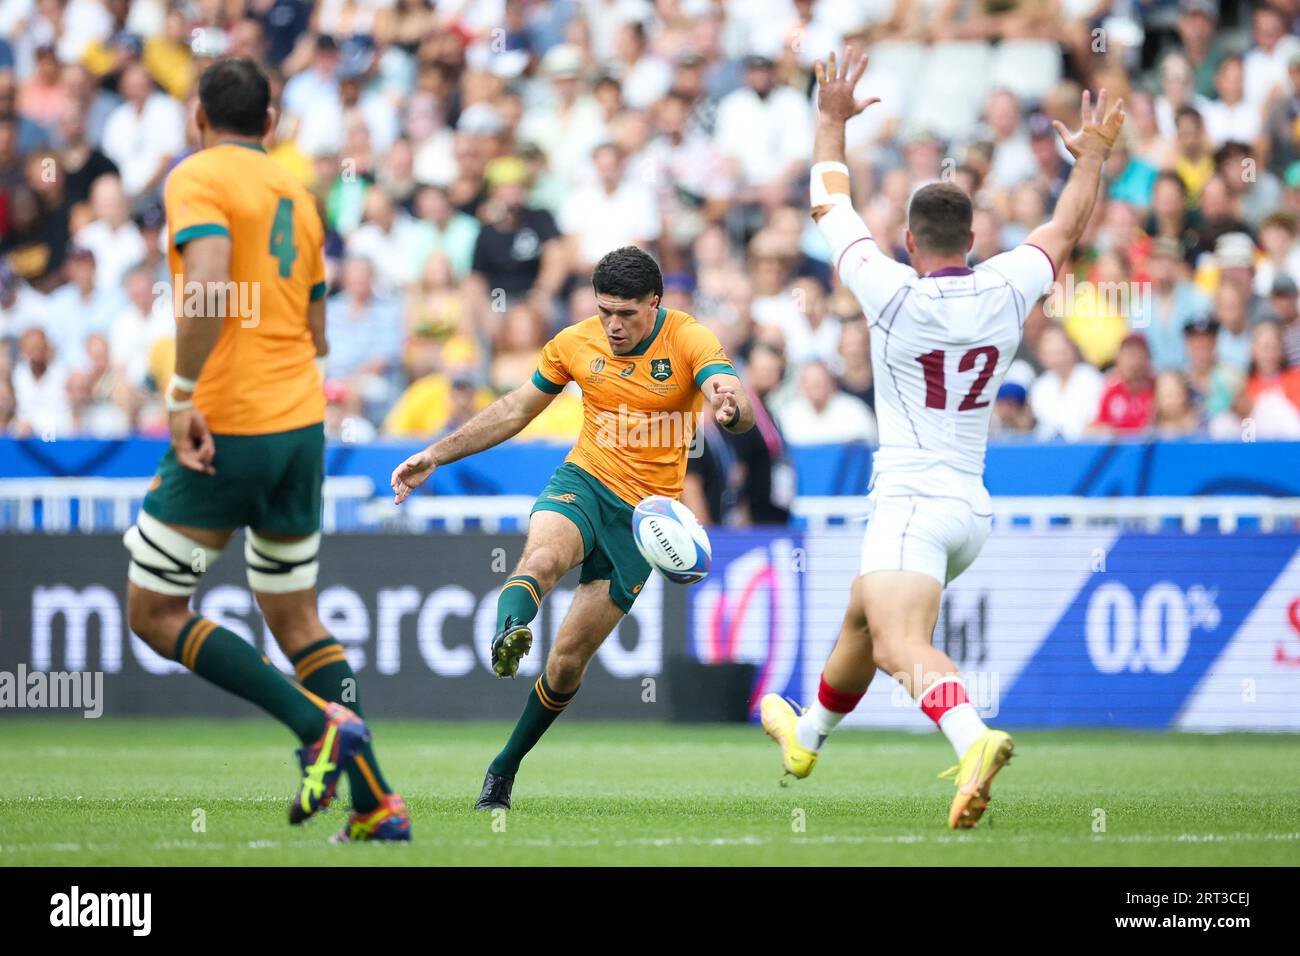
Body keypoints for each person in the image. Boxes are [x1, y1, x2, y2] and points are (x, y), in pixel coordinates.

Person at [760, 47, 1124, 830]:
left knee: (896, 641)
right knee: (864, 613)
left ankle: (973, 738)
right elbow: (1067, 223)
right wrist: (1090, 158)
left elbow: (829, 201)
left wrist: (830, 118)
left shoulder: (887, 291)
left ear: (910, 243)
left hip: (912, 499)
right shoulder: (1008, 284)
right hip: (968, 509)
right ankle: (807, 736)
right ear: (971, 237)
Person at [120, 58, 408, 843]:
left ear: (196, 117)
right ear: (272, 123)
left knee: (152, 610)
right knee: (296, 616)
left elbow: (208, 277)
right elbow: (318, 331)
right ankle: (376, 801)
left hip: (228, 421)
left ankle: (313, 725)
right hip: (299, 425)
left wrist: (180, 395)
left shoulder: (199, 175)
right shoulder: (302, 197)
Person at [390, 246, 752, 811]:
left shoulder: (688, 338)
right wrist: (436, 454)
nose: (613, 324)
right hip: (584, 481)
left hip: (645, 521)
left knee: (565, 661)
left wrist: (730, 407)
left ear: (654, 304)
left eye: (627, 314)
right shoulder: (574, 342)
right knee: (541, 561)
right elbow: (514, 410)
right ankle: (506, 633)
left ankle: (503, 767)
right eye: (605, 309)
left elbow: (731, 396)